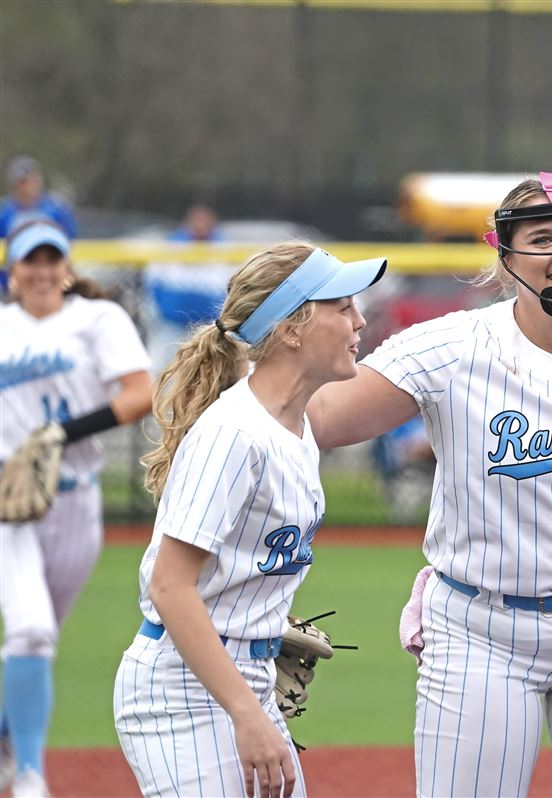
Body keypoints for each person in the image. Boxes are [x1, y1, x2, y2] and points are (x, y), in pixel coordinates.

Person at [308, 172, 552, 797]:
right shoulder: (452, 346)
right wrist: (259, 344)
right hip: (483, 630)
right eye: (542, 237)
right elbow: (321, 418)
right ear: (506, 257)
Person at [112, 243, 387, 798]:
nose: (360, 320)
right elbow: (170, 586)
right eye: (342, 307)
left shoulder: (294, 427)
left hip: (240, 678)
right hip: (184, 693)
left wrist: (260, 630)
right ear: (291, 329)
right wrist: (247, 713)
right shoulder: (235, 434)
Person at [0, 220, 152, 798]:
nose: (40, 271)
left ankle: (6, 743)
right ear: (12, 271)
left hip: (76, 501)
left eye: (50, 260)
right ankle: (32, 776)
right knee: (31, 632)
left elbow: (139, 393)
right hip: (10, 506)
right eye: (28, 261)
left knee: (40, 640)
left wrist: (60, 433)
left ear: (65, 267)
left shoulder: (97, 319)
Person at [142, 202, 231, 370]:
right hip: (171, 323)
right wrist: (161, 310)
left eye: (205, 222)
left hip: (208, 325)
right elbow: (153, 283)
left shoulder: (225, 249)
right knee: (161, 369)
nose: (201, 226)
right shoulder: (172, 246)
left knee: (208, 370)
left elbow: (230, 289)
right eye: (197, 221)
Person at [0, 157, 77, 239]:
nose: (27, 186)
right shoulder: (4, 211)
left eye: (31, 179)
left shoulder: (57, 207)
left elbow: (70, 238)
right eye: (22, 181)